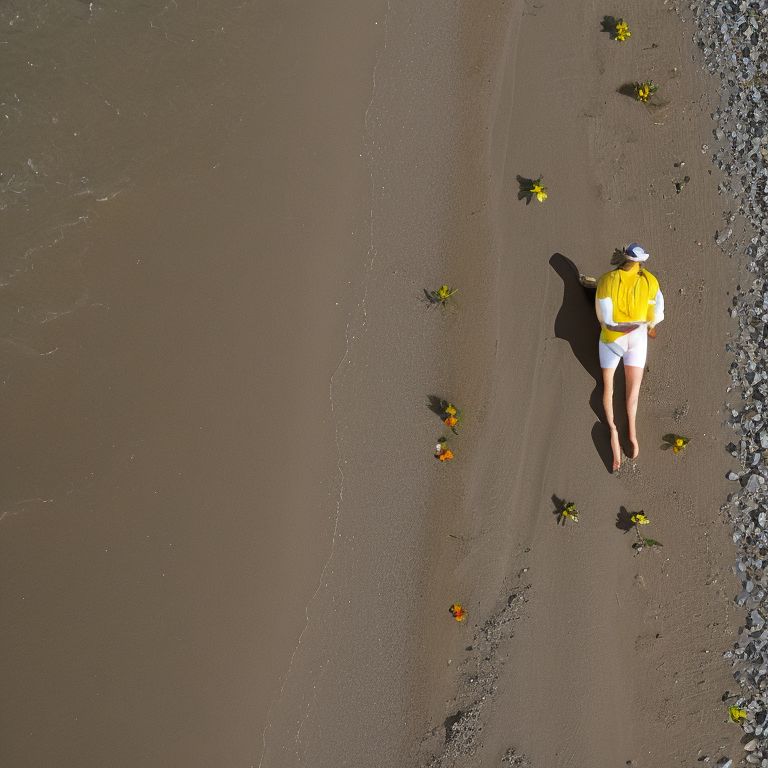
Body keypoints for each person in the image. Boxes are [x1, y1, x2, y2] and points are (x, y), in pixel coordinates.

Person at [594, 243, 665, 471]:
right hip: (638, 337)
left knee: (608, 387)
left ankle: (614, 430)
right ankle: (632, 433)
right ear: (641, 262)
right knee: (633, 392)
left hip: (612, 339)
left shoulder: (606, 280)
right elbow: (657, 312)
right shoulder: (651, 281)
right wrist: (651, 326)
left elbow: (603, 317)